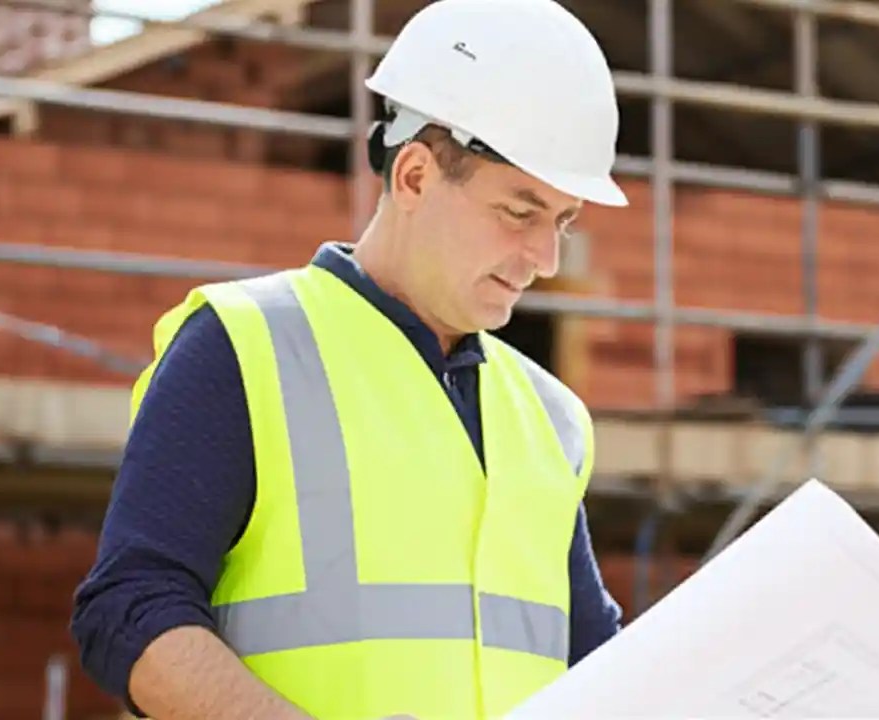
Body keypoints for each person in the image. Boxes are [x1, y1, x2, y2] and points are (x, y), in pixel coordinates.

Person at [69, 1, 629, 718]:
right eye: (520, 214)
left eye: (563, 222)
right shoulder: (245, 346)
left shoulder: (551, 420)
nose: (545, 259)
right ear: (416, 177)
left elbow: (594, 662)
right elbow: (128, 607)